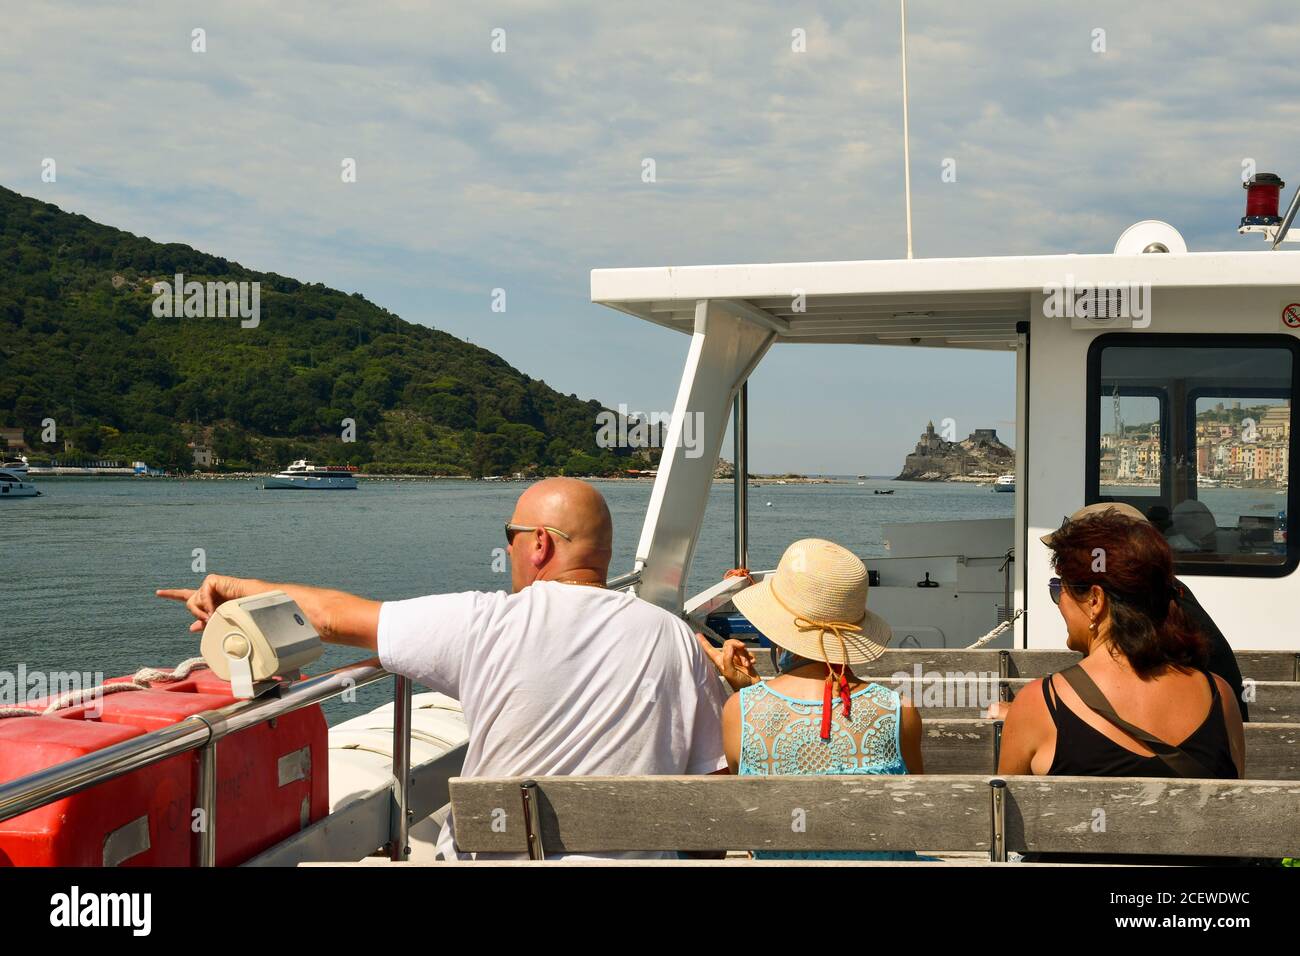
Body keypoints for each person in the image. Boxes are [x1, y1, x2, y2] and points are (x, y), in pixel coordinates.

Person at [157, 477, 729, 861]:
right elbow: (710, 804)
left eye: (510, 536)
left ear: (539, 546)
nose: (507, 551)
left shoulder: (483, 623)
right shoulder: (676, 639)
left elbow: (331, 617)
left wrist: (234, 591)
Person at [999, 510, 1244, 780]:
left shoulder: (1040, 704)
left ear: (1095, 601)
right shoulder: (1221, 697)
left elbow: (1005, 818)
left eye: (1059, 589)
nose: (1058, 602)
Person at [720, 538, 924, 861]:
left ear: (779, 630)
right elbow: (914, 814)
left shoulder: (740, 711)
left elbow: (756, 809)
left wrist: (750, 692)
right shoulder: (899, 711)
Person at [1036, 502, 1249, 720]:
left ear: (1096, 598)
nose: (1060, 599)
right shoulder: (1166, 602)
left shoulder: (1152, 629)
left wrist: (1036, 716)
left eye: (1066, 581)